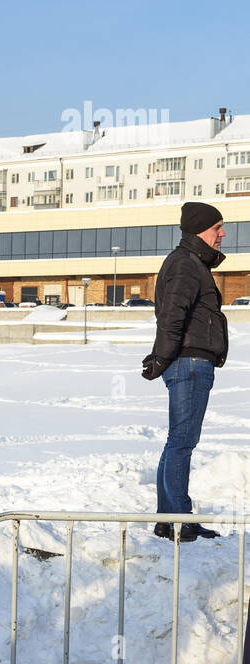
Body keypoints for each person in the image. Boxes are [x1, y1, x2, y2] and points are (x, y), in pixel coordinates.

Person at [142, 202, 228, 542]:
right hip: (190, 364)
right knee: (182, 443)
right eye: (217, 227)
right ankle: (179, 520)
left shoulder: (189, 263)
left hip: (189, 362)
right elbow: (172, 316)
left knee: (176, 442)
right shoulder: (186, 265)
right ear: (199, 230)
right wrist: (162, 357)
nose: (222, 234)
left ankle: (168, 519)